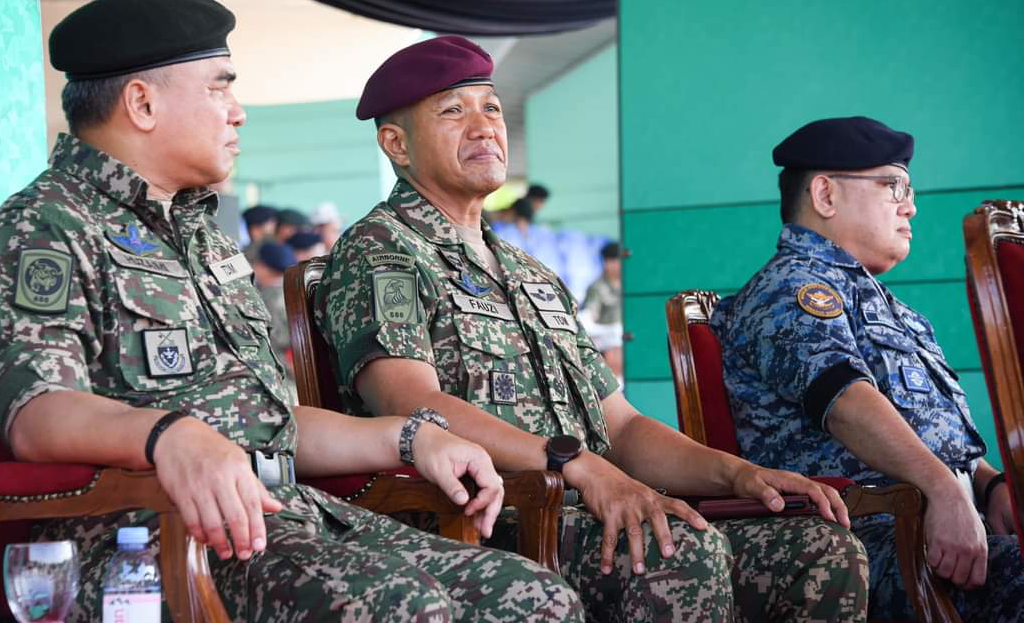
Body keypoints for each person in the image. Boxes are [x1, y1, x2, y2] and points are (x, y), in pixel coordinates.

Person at [0, 0, 582, 623]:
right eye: (219, 90)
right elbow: (38, 414)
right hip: (144, 542)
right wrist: (171, 437)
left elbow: (272, 426)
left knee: (534, 598)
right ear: (142, 104)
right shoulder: (45, 228)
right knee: (403, 607)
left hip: (285, 516)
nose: (238, 113)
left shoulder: (200, 236)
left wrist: (409, 436)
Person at [315, 35, 870, 623]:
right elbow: (412, 402)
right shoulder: (383, 249)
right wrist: (572, 464)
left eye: (492, 108)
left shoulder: (530, 271)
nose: (484, 128)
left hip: (594, 506)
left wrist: (738, 472)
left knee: (820, 549)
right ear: (396, 144)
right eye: (454, 111)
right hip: (489, 525)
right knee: (681, 553)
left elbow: (622, 426)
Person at [710, 116, 1024, 622]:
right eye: (893, 185)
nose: (911, 205)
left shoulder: (891, 308)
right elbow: (845, 403)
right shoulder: (789, 289)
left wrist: (986, 485)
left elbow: (937, 433)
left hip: (941, 523)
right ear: (826, 195)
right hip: (859, 538)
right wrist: (944, 488)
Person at [580, 241, 623, 377]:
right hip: (608, 349)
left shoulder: (631, 286)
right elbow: (587, 323)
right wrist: (614, 331)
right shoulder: (597, 288)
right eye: (615, 260)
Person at [253, 241, 295, 355]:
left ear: (264, 267)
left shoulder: (268, 298)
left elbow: (278, 340)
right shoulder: (293, 290)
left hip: (281, 362)